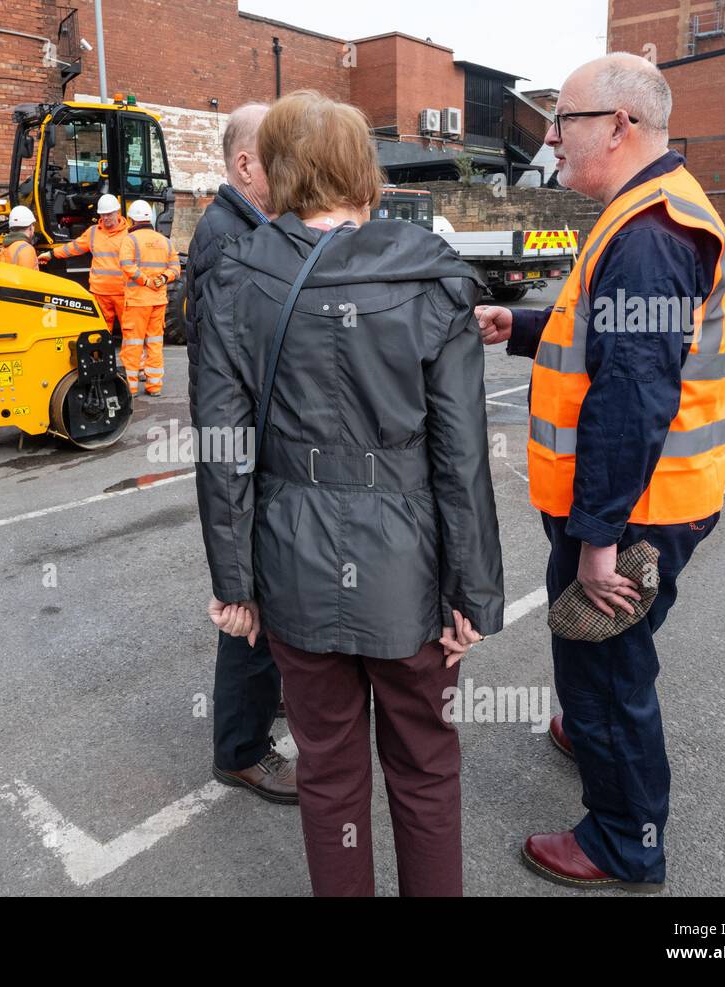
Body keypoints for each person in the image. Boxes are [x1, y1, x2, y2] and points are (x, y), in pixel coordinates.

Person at [196, 90, 504, 896]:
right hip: (411, 570)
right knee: (427, 768)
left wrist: (234, 582)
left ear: (278, 170)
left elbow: (224, 449)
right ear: (363, 172)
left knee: (329, 774)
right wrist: (473, 591)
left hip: (293, 563)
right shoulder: (430, 275)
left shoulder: (236, 279)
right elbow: (461, 454)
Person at [477, 53, 725, 893]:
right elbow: (600, 333)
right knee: (608, 660)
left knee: (606, 668)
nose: (549, 138)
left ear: (619, 126)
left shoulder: (653, 233)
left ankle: (626, 839)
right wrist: (515, 323)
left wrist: (596, 540)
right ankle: (589, 733)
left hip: (634, 513)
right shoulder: (642, 214)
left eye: (564, 120)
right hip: (657, 502)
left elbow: (631, 401)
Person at [185, 103, 296, 805]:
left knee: (265, 604)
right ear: (246, 164)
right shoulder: (232, 241)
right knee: (248, 607)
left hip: (256, 452)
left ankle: (257, 716)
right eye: (277, 155)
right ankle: (242, 750)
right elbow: (233, 378)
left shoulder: (248, 230)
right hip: (247, 457)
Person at [39, 193, 131, 334]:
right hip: (99, 292)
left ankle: (132, 356)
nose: (105, 218)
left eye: (109, 214)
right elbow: (73, 247)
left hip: (123, 292)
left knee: (129, 330)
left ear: (117, 212)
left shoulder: (129, 234)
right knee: (100, 332)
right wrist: (51, 254)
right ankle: (102, 356)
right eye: (102, 214)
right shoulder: (93, 232)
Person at [117, 199, 179, 397]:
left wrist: (145, 281)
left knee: (133, 345)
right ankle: (154, 386)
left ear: (132, 220)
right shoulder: (164, 241)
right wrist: (162, 279)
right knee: (154, 344)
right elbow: (176, 269)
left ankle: (131, 387)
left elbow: (126, 265)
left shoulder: (130, 240)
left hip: (137, 302)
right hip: (158, 301)